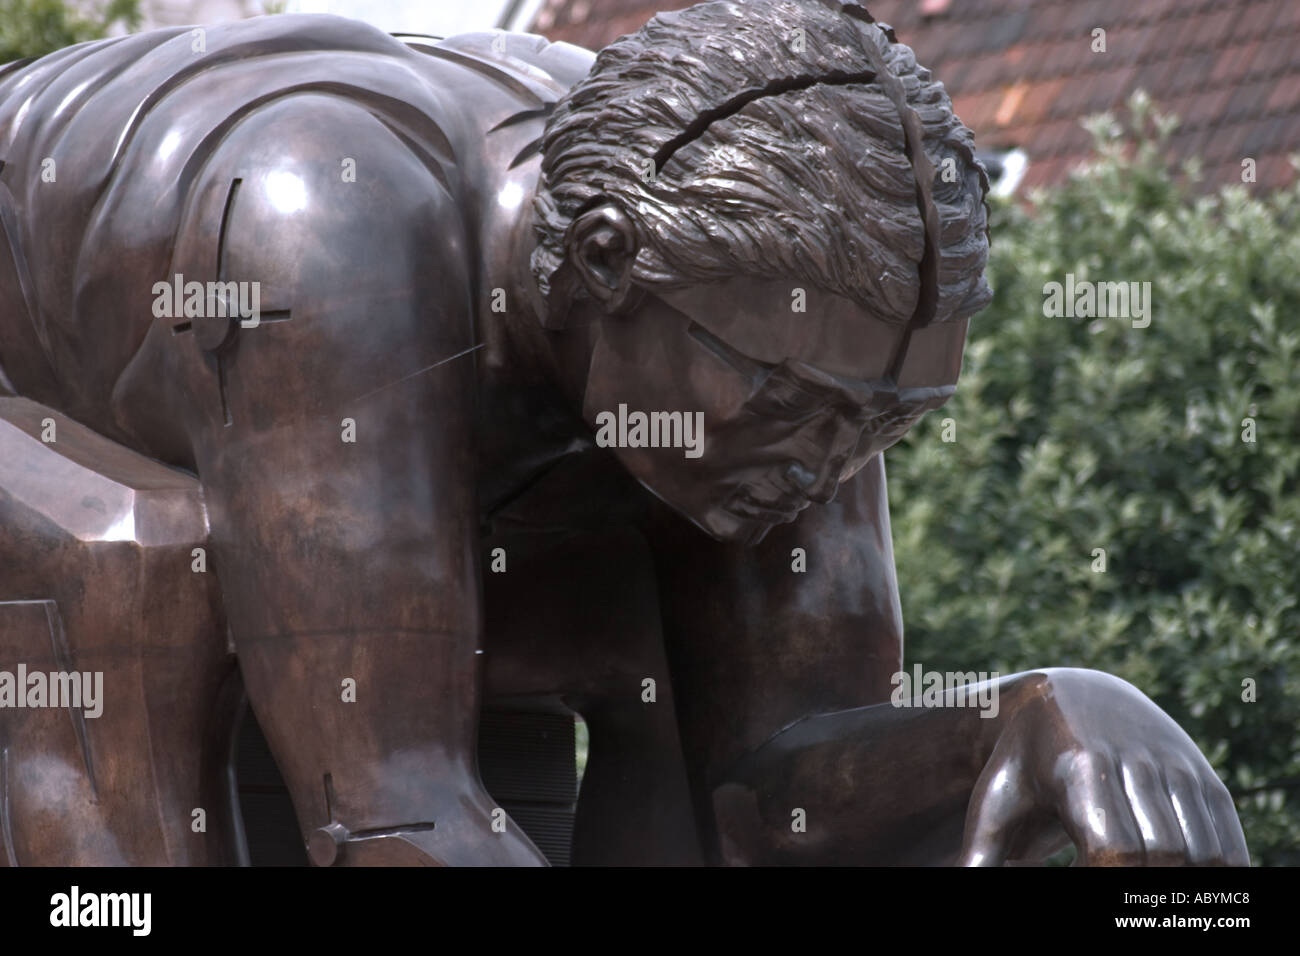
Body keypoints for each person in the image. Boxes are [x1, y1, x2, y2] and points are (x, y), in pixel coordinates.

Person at [0, 0, 1247, 865]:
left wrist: (1025, 719)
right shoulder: (322, 235)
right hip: (59, 405)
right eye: (788, 402)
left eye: (883, 423)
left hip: (479, 423)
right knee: (140, 566)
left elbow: (777, 792)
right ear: (603, 260)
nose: (824, 467)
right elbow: (386, 814)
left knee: (638, 602)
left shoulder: (801, 346)